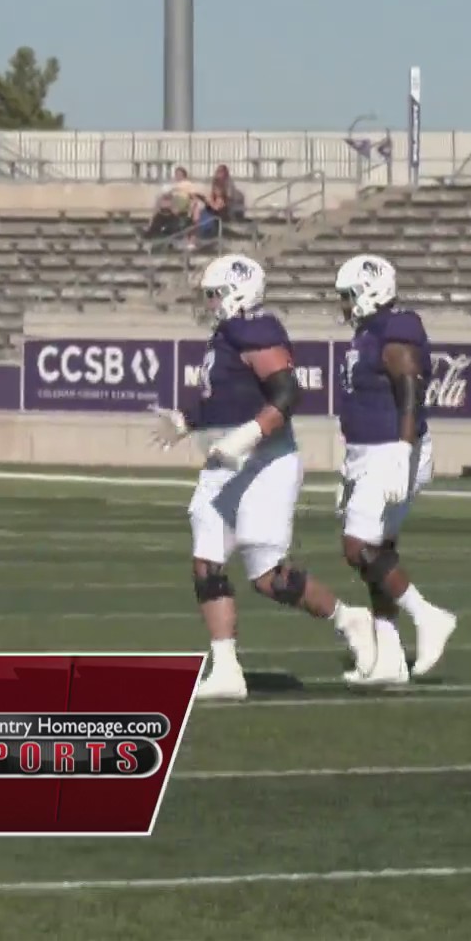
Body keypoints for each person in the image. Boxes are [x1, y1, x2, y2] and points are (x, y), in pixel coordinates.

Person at [149, 253, 376, 701]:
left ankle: (350, 618)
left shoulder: (255, 328)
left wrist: (249, 434)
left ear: (238, 291)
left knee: (268, 576)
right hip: (227, 463)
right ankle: (227, 668)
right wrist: (187, 421)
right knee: (206, 558)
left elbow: (288, 393)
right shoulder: (225, 336)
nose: (209, 303)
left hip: (266, 460)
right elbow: (225, 401)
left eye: (214, 294)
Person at [332, 254, 459, 685]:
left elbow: (410, 391)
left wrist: (401, 453)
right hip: (369, 451)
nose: (345, 305)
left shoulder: (395, 330)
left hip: (392, 449)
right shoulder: (368, 333)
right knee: (378, 552)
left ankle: (428, 616)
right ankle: (389, 659)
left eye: (349, 296)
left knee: (357, 547)